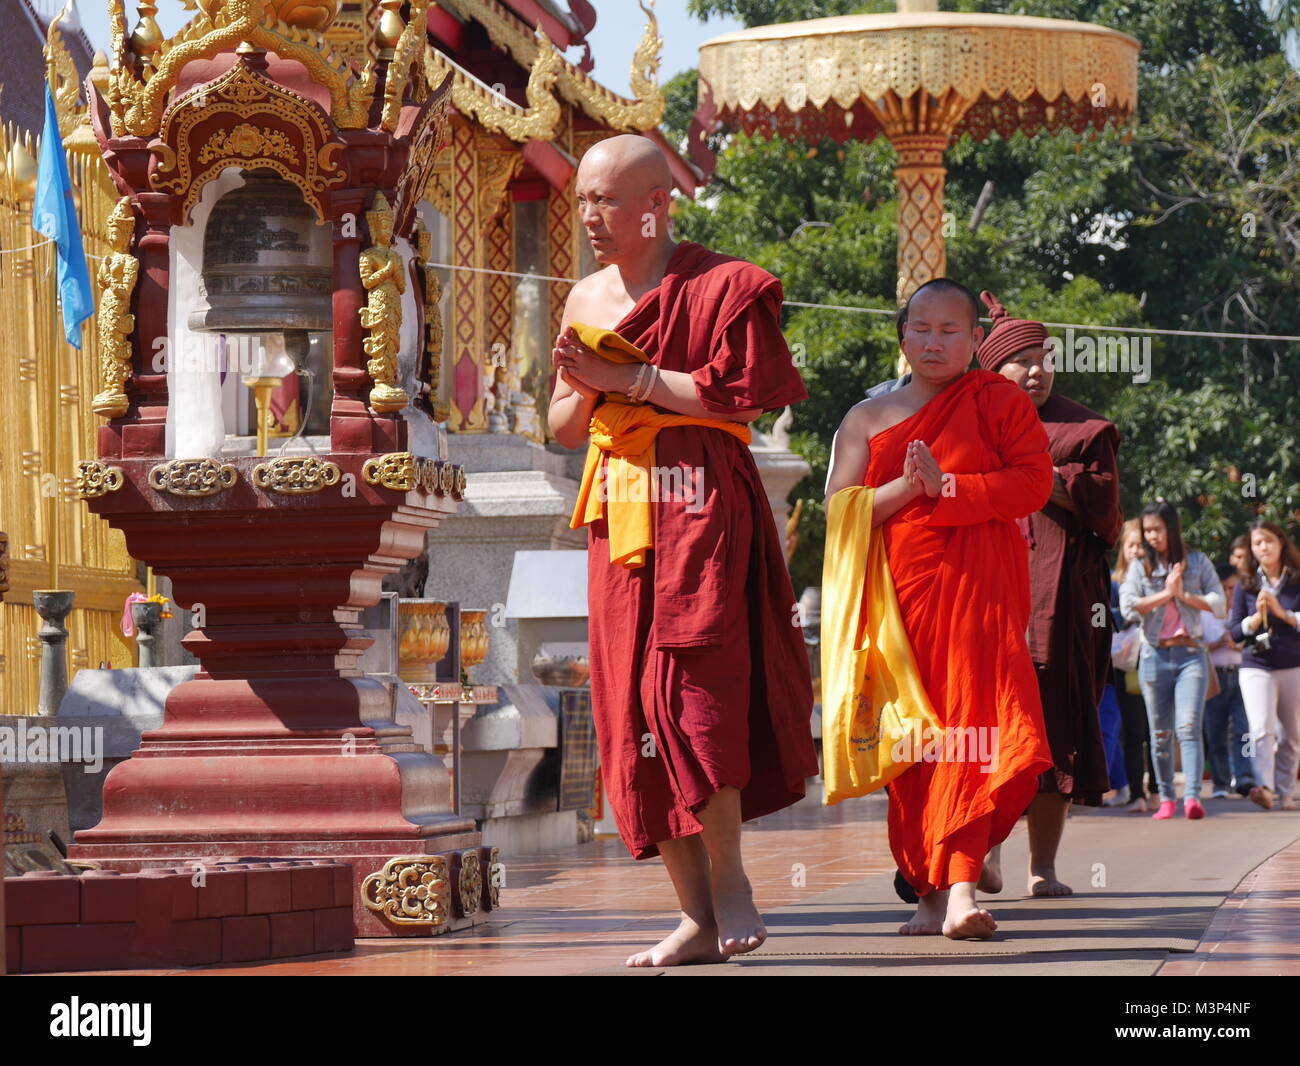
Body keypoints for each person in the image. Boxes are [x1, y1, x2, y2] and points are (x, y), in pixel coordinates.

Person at [547, 135, 818, 967]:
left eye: (608, 201)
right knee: (630, 708)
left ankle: (732, 880)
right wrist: (589, 386)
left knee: (698, 689)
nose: (591, 217)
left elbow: (737, 403)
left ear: (656, 204)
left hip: (700, 502)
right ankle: (695, 914)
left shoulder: (717, 285)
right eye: (583, 200)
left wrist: (632, 383)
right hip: (622, 508)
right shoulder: (585, 296)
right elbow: (560, 424)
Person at [824, 277, 1053, 940]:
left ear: (976, 341)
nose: (934, 342)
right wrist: (907, 486)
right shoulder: (867, 418)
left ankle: (959, 889)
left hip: (979, 601)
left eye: (950, 331)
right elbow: (841, 511)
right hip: (899, 609)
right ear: (903, 336)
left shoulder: (999, 402)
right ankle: (927, 891)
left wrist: (949, 485)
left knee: (974, 731)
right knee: (915, 744)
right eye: (921, 330)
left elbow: (1033, 484)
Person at [974, 290, 1120, 898]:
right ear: (993, 370)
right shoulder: (971, 420)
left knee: (1055, 734)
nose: (1037, 369)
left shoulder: (1083, 429)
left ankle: (1045, 867)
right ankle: (983, 855)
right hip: (987, 600)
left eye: (1045, 357)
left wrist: (1035, 476)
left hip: (1063, 606)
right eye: (1022, 359)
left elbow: (1105, 516)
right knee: (989, 733)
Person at [1119, 501, 1226, 819]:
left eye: (1156, 529)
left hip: (1191, 654)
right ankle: (1166, 798)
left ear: (1171, 528)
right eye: (1147, 530)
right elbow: (1128, 607)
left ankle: (1192, 798)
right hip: (1154, 655)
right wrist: (1167, 594)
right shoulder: (1140, 566)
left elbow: (1219, 603)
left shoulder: (1196, 561)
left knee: (1189, 726)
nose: (1151, 536)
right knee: (1161, 733)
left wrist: (1184, 595)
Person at [1228, 519, 1300, 811]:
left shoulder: (1296, 579)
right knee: (1261, 728)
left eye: (1269, 540)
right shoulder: (1246, 584)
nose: (1264, 547)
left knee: (1293, 733)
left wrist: (1283, 614)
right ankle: (1266, 788)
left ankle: (1285, 791)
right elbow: (1233, 632)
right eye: (1257, 543)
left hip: (1292, 663)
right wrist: (1255, 619)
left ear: (1281, 542)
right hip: (1256, 664)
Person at [1111, 519, 1158, 811]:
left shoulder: (1155, 578)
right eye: (1130, 545)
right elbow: (1102, 616)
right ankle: (1136, 794)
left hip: (1152, 658)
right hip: (1122, 664)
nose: (1135, 550)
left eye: (1140, 545)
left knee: (1155, 728)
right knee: (1131, 730)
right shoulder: (1112, 580)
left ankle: (1155, 789)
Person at [1202, 562, 1254, 799]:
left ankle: (1245, 778)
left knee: (1244, 731)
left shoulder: (1246, 611)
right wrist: (1215, 644)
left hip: (1243, 674)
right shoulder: (1203, 612)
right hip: (1214, 677)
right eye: (1224, 588)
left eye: (1234, 588)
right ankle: (1221, 783)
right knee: (1215, 733)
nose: (1229, 594)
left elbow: (1260, 642)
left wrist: (1239, 643)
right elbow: (1193, 645)